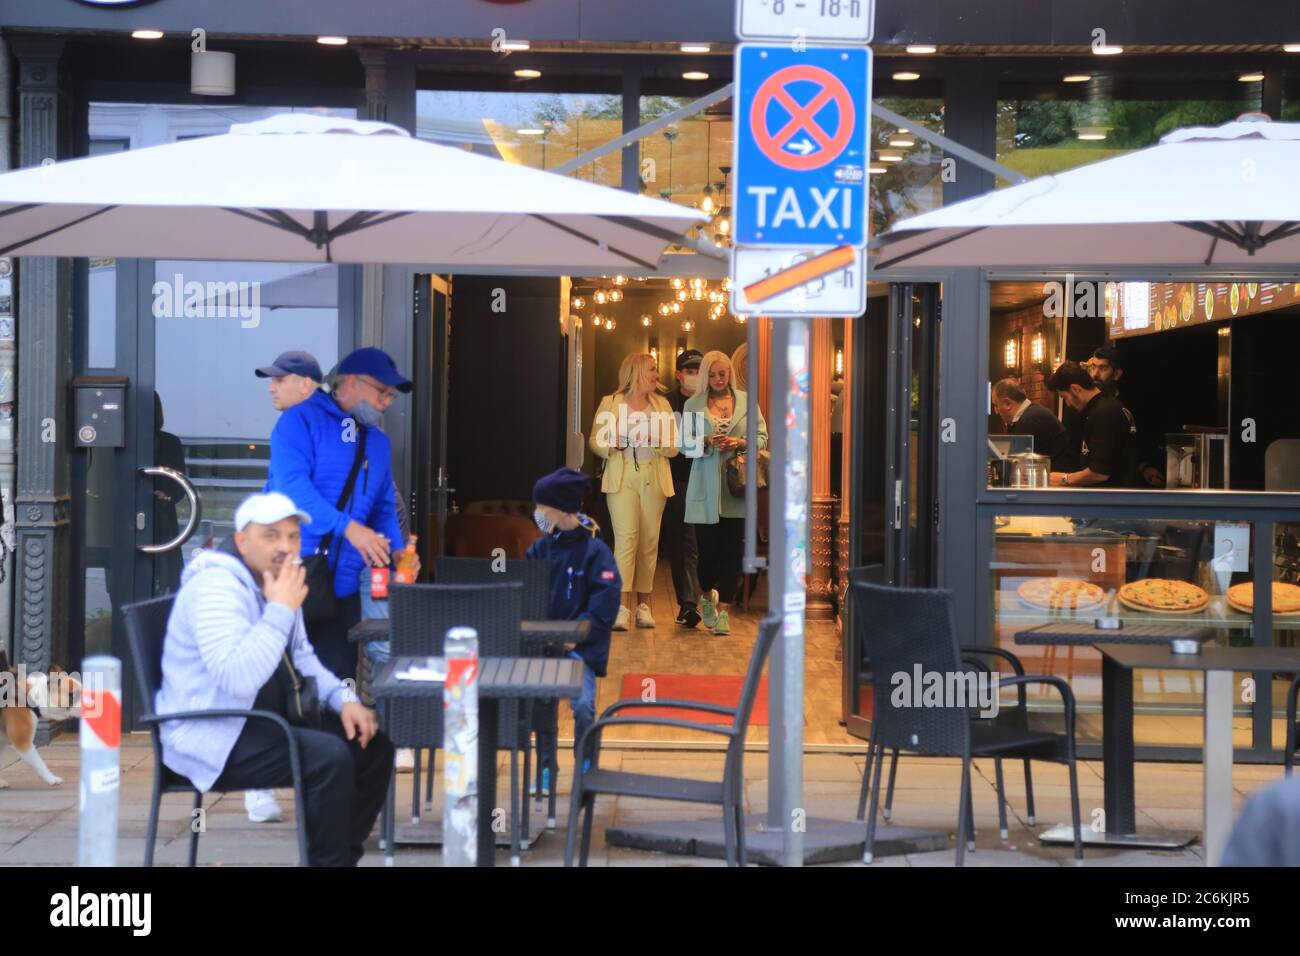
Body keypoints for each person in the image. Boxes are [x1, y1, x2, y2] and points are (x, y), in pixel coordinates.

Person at [155, 492, 393, 866]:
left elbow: (304, 658)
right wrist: (280, 609)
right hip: (208, 731)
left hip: (256, 719)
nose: (285, 547)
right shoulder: (216, 588)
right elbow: (236, 678)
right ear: (242, 541)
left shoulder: (277, 580)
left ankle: (337, 860)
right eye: (271, 536)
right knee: (328, 759)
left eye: (293, 536)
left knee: (373, 747)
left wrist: (345, 700)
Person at [264, 346, 417, 685]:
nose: (386, 401)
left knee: (338, 682)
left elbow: (381, 507)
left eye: (391, 395)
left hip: (343, 586)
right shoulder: (298, 421)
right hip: (292, 574)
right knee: (285, 682)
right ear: (349, 382)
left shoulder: (378, 442)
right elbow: (293, 493)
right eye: (382, 391)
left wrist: (397, 550)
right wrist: (348, 528)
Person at [244, 349, 324, 823]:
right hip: (307, 561)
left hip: (297, 562)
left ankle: (264, 783)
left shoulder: (295, 426)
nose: (271, 387)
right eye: (270, 379)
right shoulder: (315, 425)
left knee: (278, 665)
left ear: (307, 385)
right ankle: (272, 780)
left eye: (281, 379)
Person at [525, 468, 620, 770]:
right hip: (545, 647)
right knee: (542, 708)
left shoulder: (596, 551)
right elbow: (527, 594)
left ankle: (586, 767)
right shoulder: (539, 550)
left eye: (541, 506)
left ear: (560, 508)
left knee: (582, 705)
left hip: (580, 647)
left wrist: (577, 634)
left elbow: (605, 600)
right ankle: (545, 768)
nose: (537, 512)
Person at [682, 350, 768, 636]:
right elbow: (685, 446)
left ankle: (724, 614)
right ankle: (707, 598)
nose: (718, 379)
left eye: (723, 373)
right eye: (713, 374)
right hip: (704, 488)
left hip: (737, 488)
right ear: (705, 375)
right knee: (706, 556)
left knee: (733, 554)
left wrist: (739, 442)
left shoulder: (746, 401)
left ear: (730, 373)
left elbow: (762, 438)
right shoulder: (694, 404)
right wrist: (706, 441)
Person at [589, 353, 677, 631]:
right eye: (652, 370)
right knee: (626, 539)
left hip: (654, 474)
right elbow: (594, 440)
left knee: (649, 542)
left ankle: (644, 607)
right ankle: (621, 607)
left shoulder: (662, 405)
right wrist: (610, 445)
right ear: (637, 372)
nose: (656, 375)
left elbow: (674, 447)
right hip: (622, 473)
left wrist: (657, 441)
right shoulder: (610, 403)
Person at [1045, 361, 1139, 488]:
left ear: (1075, 389)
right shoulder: (1108, 406)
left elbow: (1100, 472)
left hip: (1114, 500)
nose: (1068, 404)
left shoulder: (1103, 413)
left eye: (1064, 397)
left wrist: (1064, 479)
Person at [662, 349, 703, 629]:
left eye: (699, 371)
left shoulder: (709, 402)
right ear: (678, 374)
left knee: (704, 544)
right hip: (678, 480)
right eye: (690, 371)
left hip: (708, 480)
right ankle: (688, 604)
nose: (694, 376)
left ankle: (705, 600)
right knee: (685, 542)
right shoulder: (666, 404)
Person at [1089, 346, 1164, 487]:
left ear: (1117, 374)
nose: (1095, 375)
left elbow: (1135, 445)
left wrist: (1144, 467)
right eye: (1093, 367)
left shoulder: (1131, 405)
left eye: (1103, 368)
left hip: (1126, 484)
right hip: (1095, 483)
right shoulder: (1088, 404)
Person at [992, 378, 1077, 472]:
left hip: (1058, 482)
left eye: (996, 405)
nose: (996, 411)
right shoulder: (1032, 414)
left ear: (1008, 403)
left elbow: (1019, 468)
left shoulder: (1030, 420)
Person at [255, 349, 322, 412]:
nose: (271, 389)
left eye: (279, 381)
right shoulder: (322, 416)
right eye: (273, 381)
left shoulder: (296, 420)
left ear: (305, 385)